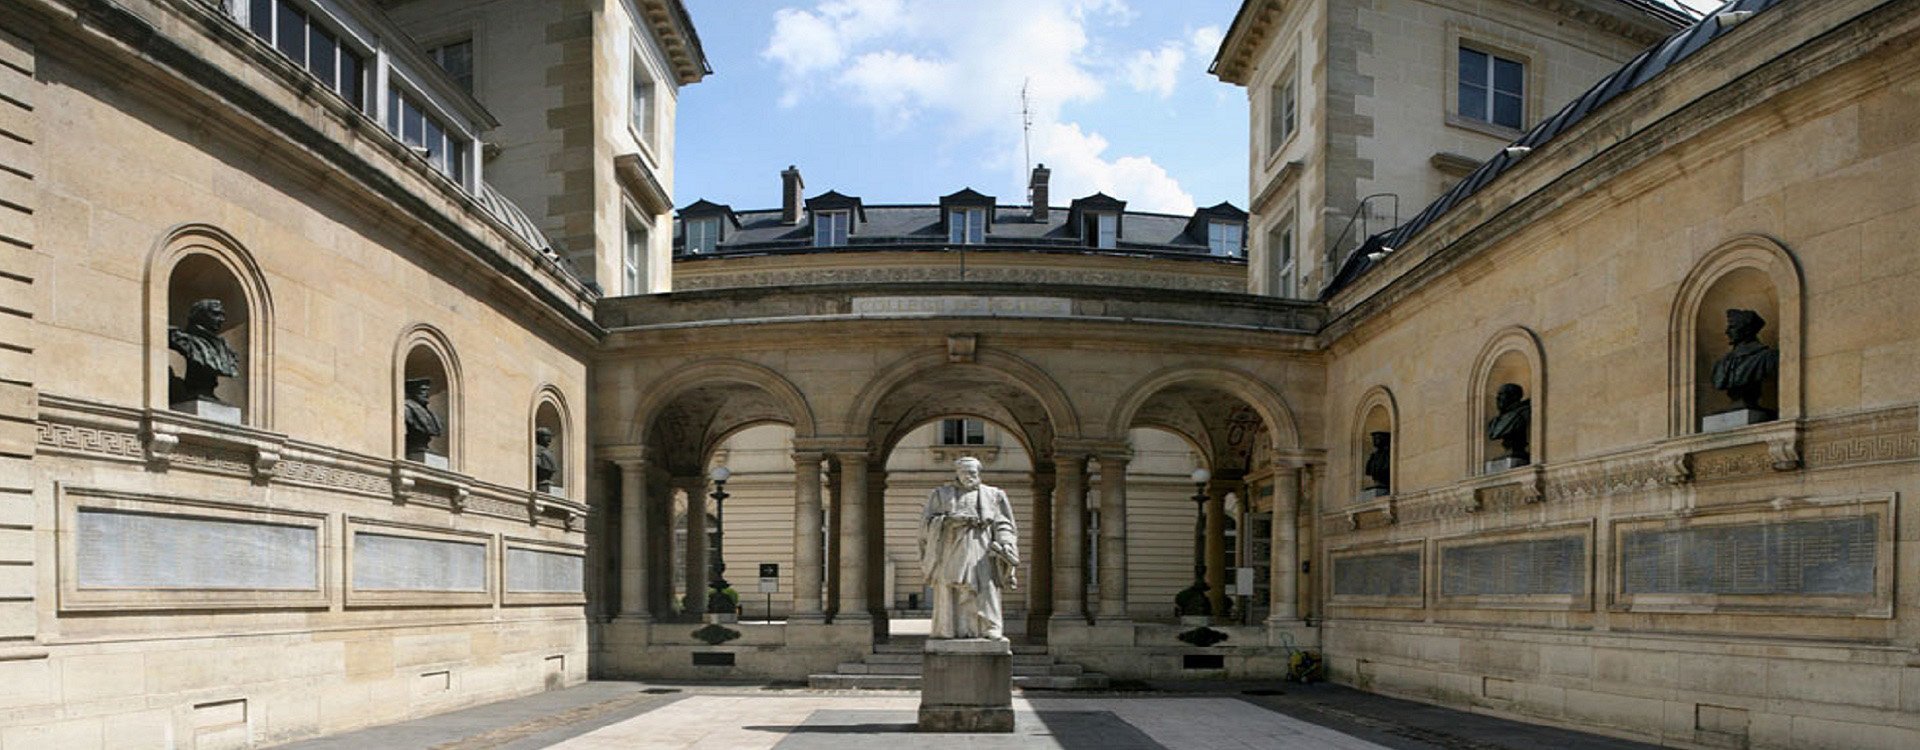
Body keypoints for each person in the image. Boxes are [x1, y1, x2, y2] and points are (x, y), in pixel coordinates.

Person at [920, 457, 1018, 640]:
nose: (969, 476)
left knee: (986, 587)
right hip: (951, 549)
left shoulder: (994, 495)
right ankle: (949, 628)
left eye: (972, 473)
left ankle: (989, 626)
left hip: (982, 549)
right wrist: (948, 521)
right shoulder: (941, 494)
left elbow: (1004, 523)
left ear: (979, 473)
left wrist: (1005, 542)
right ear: (957, 474)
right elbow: (926, 523)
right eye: (964, 473)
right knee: (951, 587)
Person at [167, 299, 239, 404]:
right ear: (200, 315)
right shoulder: (183, 340)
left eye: (222, 315)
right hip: (192, 393)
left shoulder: (224, 347)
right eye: (215, 314)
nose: (221, 319)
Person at [1710, 308, 1779, 414]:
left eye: (1732, 327)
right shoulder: (1722, 363)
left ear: (1747, 330)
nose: (1727, 332)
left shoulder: (1766, 356)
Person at [1485, 383, 1531, 464]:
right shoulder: (1495, 420)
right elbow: (1492, 434)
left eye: (1502, 394)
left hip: (1518, 452)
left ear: (1514, 396)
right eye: (1498, 395)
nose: (1498, 398)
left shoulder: (1523, 412)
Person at [403, 377, 445, 456]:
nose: (426, 393)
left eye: (427, 390)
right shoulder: (407, 408)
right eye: (423, 390)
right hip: (414, 448)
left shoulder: (431, 413)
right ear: (413, 391)